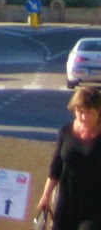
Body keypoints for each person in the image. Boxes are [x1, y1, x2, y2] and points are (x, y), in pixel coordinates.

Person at [38, 85, 101, 230]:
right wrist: (46, 195)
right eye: (80, 112)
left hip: (95, 204)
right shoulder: (65, 132)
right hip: (66, 201)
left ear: (99, 111)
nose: (83, 117)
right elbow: (56, 166)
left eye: (89, 113)